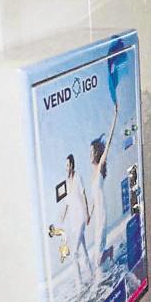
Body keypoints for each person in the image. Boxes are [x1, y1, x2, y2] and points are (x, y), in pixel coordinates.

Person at [88, 104, 120, 271]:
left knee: (97, 259)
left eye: (92, 151)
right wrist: (89, 215)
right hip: (97, 215)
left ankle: (108, 254)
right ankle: (108, 253)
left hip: (102, 213)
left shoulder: (100, 166)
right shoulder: (92, 174)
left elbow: (108, 143)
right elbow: (94, 198)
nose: (90, 154)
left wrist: (115, 116)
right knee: (96, 254)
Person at [59, 153, 93, 290]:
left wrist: (87, 214)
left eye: (67, 165)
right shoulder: (66, 183)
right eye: (65, 165)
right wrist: (63, 214)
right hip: (73, 220)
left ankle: (79, 284)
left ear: (72, 165)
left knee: (74, 253)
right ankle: (92, 275)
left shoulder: (78, 177)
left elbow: (83, 195)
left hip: (80, 219)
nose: (66, 168)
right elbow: (67, 203)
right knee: (84, 250)